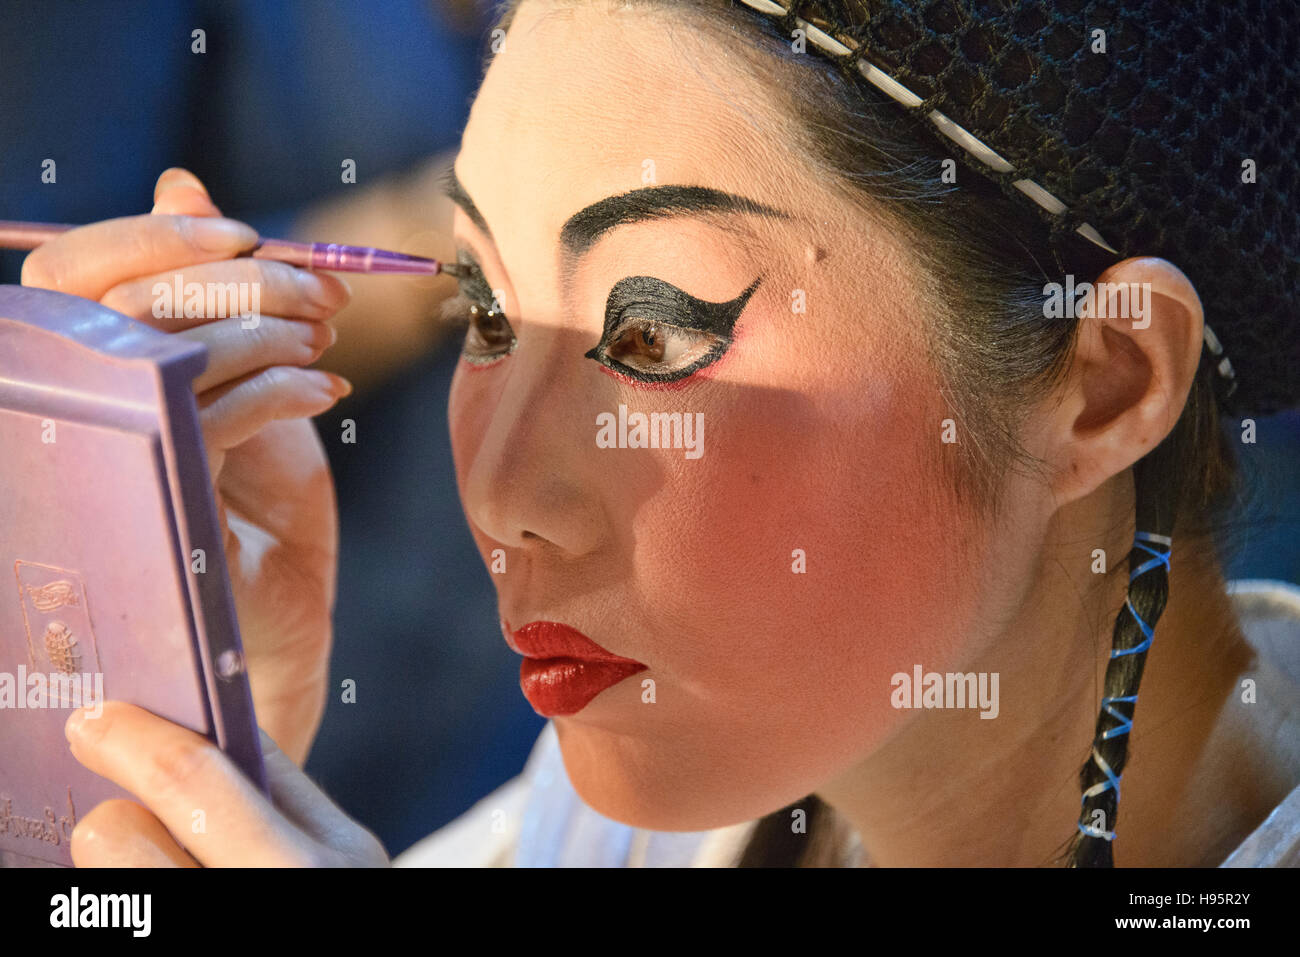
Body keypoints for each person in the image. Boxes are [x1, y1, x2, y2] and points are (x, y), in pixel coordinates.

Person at [24, 0, 1300, 867]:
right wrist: (178, 737)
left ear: (1103, 383)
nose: (503, 491)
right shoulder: (600, 837)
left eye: (650, 332)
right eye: (482, 304)